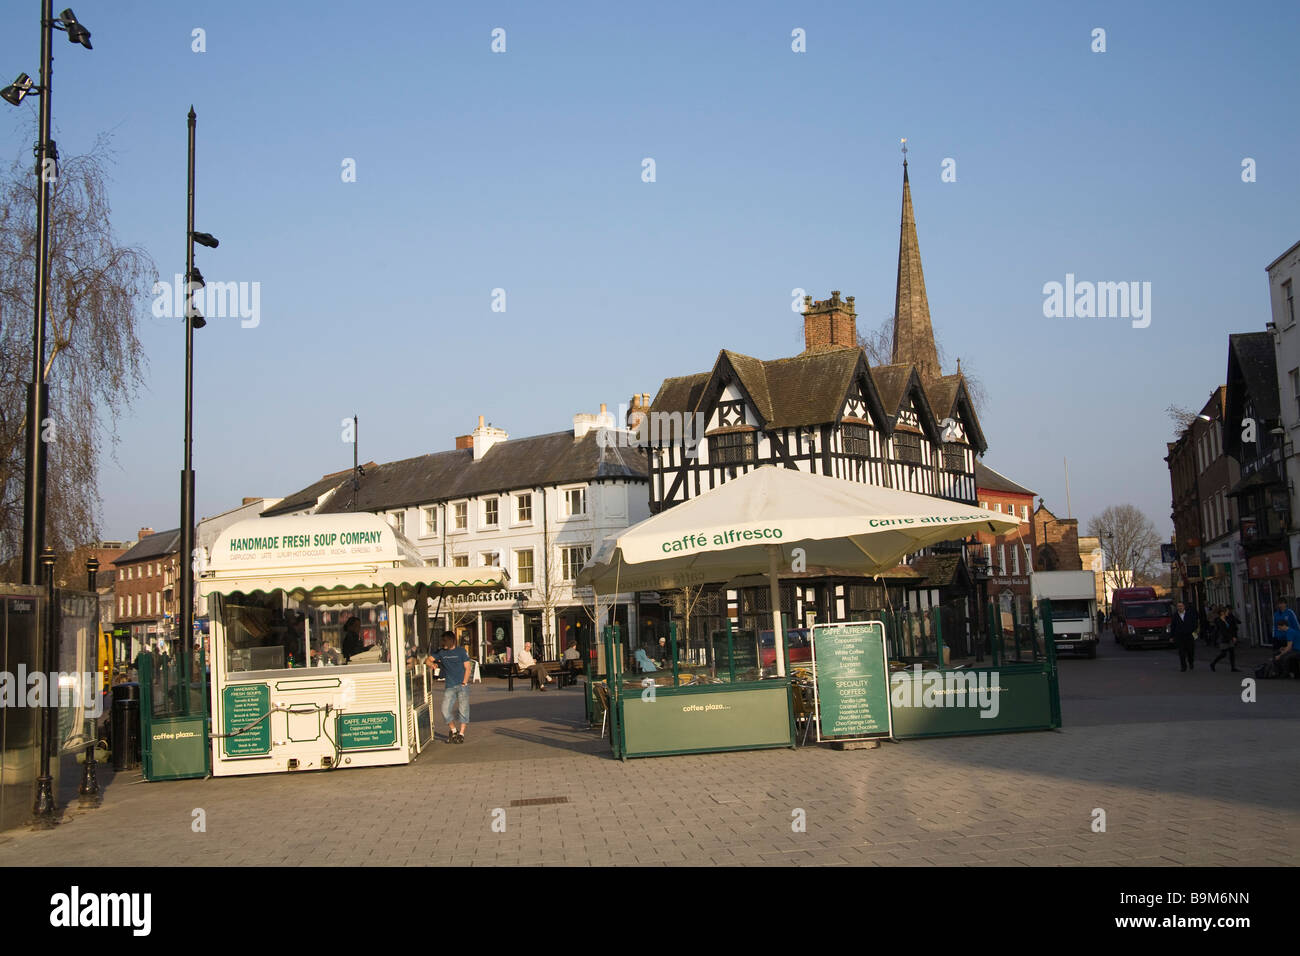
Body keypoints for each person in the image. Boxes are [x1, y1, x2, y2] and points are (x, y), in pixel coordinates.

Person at [427, 631, 473, 743]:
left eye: (445, 640)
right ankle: (454, 731)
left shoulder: (461, 651)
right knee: (444, 710)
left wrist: (464, 682)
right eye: (442, 640)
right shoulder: (441, 652)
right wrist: (432, 664)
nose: (443, 642)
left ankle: (461, 734)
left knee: (463, 710)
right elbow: (428, 660)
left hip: (462, 685)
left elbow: (468, 667)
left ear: (452, 640)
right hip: (450, 686)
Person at [1209, 606, 1240, 672]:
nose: (1228, 612)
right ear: (1222, 613)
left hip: (1229, 638)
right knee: (1223, 654)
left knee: (1232, 652)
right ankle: (1213, 663)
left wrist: (1234, 636)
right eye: (1226, 611)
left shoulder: (1228, 618)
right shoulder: (1218, 620)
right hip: (1223, 638)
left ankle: (1233, 667)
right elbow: (1222, 631)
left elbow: (1232, 628)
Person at [1169, 600, 1197, 671]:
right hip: (1179, 637)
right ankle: (1183, 666)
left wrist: (1192, 630)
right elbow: (1173, 626)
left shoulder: (1190, 614)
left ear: (1184, 606)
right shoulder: (1175, 616)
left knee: (1190, 651)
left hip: (1189, 636)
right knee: (1181, 652)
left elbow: (1195, 623)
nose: (1179, 607)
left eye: (1181, 606)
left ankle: (1191, 662)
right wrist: (1171, 636)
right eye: (1178, 606)